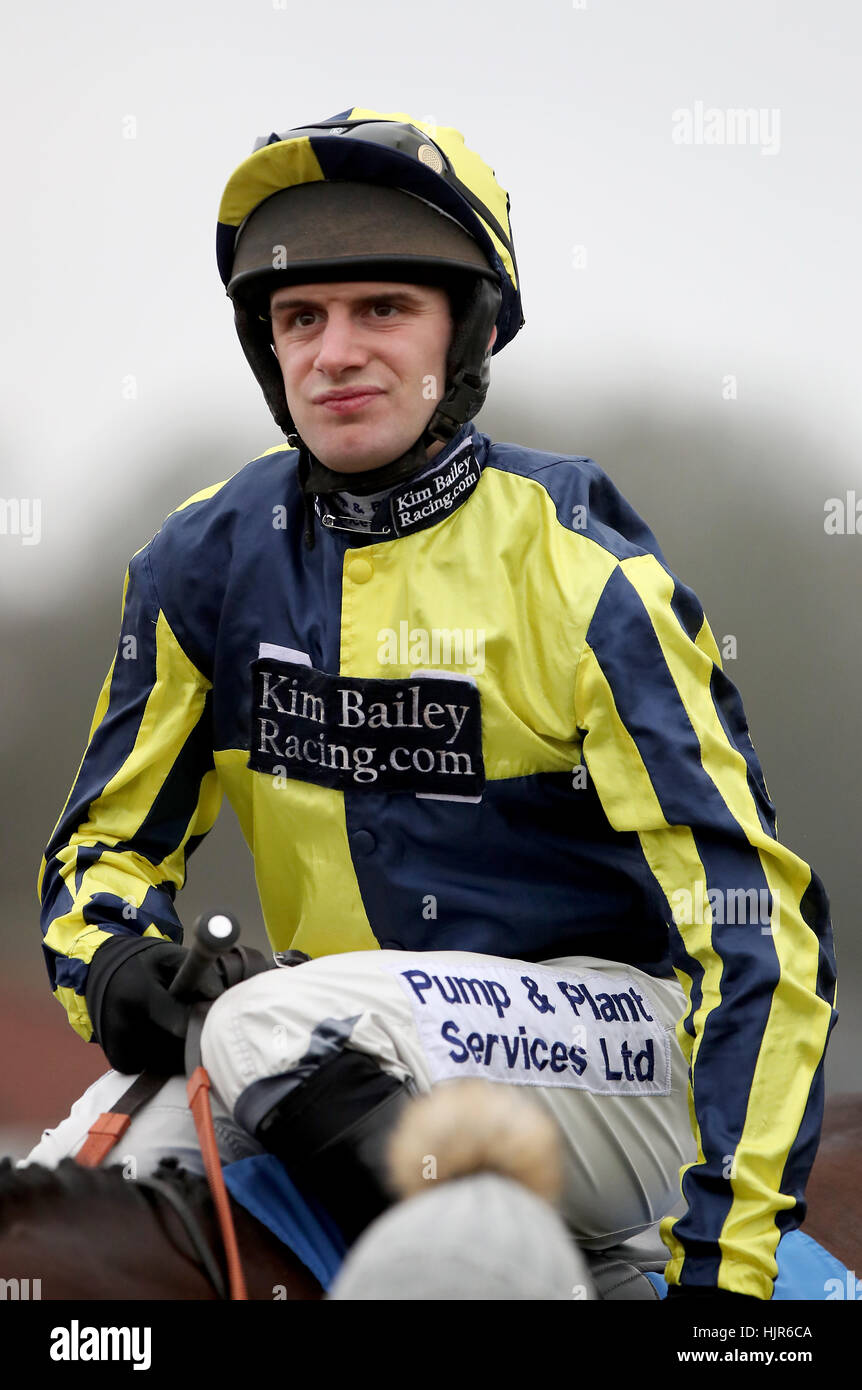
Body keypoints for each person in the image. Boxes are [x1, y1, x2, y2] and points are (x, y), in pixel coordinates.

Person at [30, 108, 837, 1301]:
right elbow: (96, 856)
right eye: (301, 318)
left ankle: (555, 1275)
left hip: (624, 1077)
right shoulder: (198, 564)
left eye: (383, 311)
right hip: (336, 1054)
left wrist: (724, 1268)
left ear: (470, 335)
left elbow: (755, 929)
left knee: (260, 1027)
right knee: (74, 1159)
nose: (334, 352)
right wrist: (122, 973)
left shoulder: (585, 574)